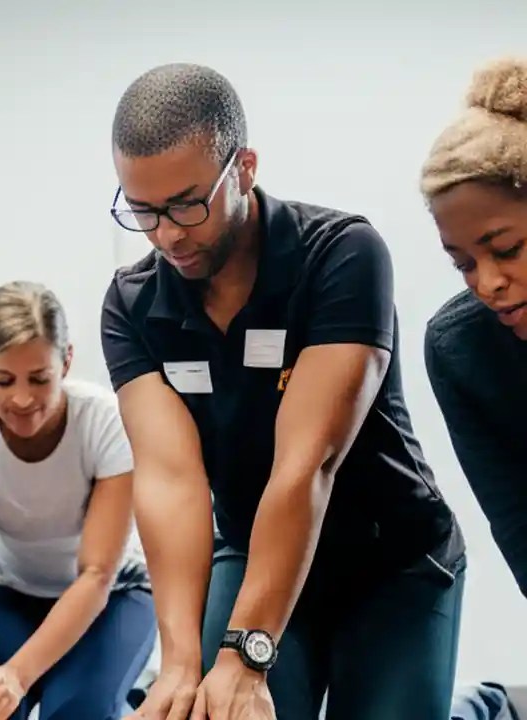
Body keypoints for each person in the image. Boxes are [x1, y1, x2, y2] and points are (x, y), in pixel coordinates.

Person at [100, 63, 465, 720]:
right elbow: (171, 482)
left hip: (390, 560)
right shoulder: (132, 305)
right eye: (144, 211)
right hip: (248, 545)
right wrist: (181, 662)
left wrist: (246, 654)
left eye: (187, 203)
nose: (168, 234)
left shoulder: (342, 255)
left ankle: (476, 708)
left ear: (242, 167)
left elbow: (307, 466)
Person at [0, 281, 157, 720]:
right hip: (12, 589)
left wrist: (16, 675)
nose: (21, 398)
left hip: (115, 595)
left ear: (66, 360)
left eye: (39, 378)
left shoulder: (107, 423)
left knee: (74, 711)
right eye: (3, 380)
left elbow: (96, 575)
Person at [420, 56, 527, 599]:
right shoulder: (458, 349)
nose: (488, 284)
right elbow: (515, 516)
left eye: (507, 250)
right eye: (462, 263)